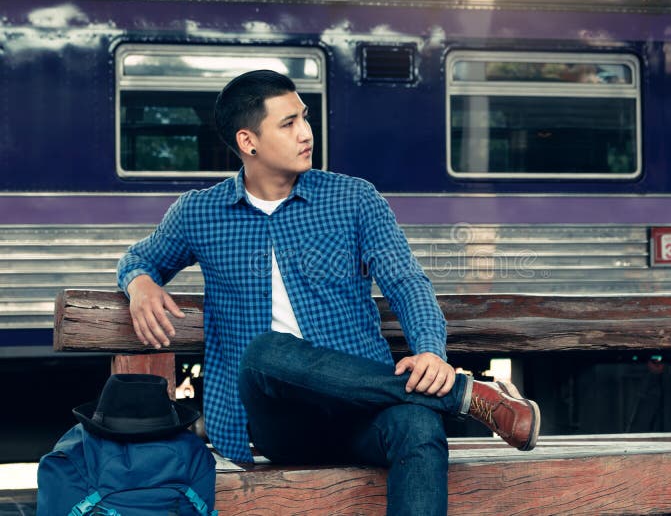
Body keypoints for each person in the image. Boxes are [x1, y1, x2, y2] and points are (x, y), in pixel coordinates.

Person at [117, 69, 541, 515]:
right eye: (288, 123)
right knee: (265, 353)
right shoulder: (200, 213)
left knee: (419, 425)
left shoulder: (353, 199)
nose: (306, 133)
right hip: (279, 424)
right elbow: (138, 259)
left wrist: (431, 352)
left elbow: (406, 282)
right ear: (248, 142)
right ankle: (464, 395)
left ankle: (451, 395)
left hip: (365, 410)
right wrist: (140, 283)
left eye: (304, 118)